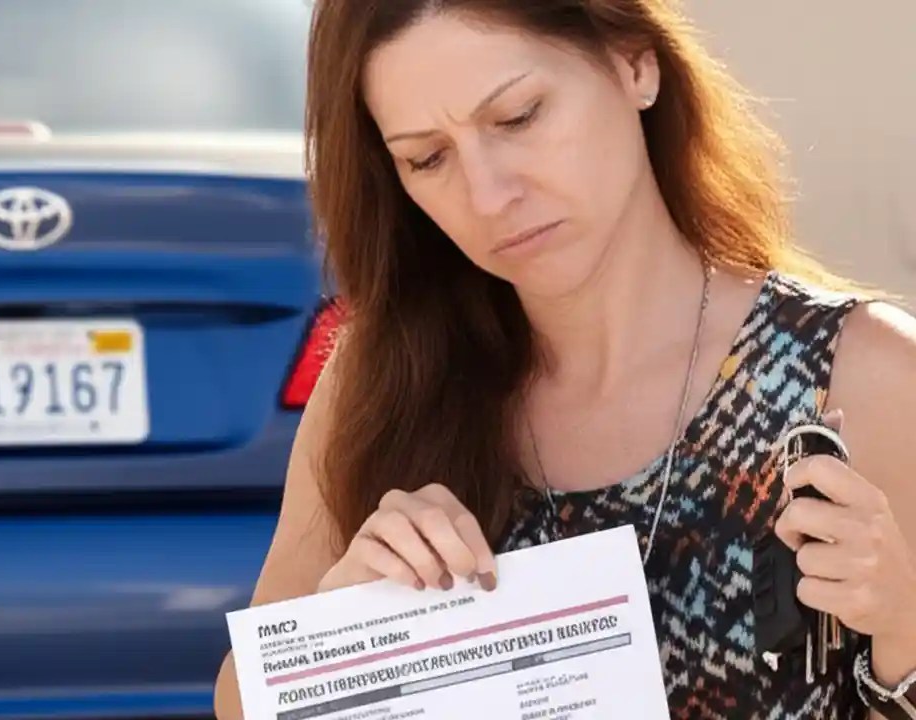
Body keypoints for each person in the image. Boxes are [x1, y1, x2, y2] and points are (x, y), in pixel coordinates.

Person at [213, 0, 916, 717]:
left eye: (518, 117)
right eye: (427, 158)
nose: (487, 196)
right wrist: (340, 638)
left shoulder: (862, 378)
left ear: (635, 63)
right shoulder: (385, 376)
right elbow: (240, 702)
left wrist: (904, 625)